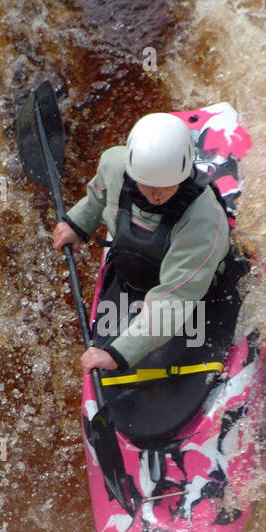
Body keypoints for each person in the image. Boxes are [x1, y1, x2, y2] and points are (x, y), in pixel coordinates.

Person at [52, 113, 232, 375]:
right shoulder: (114, 164)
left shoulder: (204, 220)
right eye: (148, 186)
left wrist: (118, 353)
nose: (156, 195)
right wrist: (77, 225)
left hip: (192, 291)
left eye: (165, 187)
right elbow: (97, 198)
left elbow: (175, 297)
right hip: (134, 273)